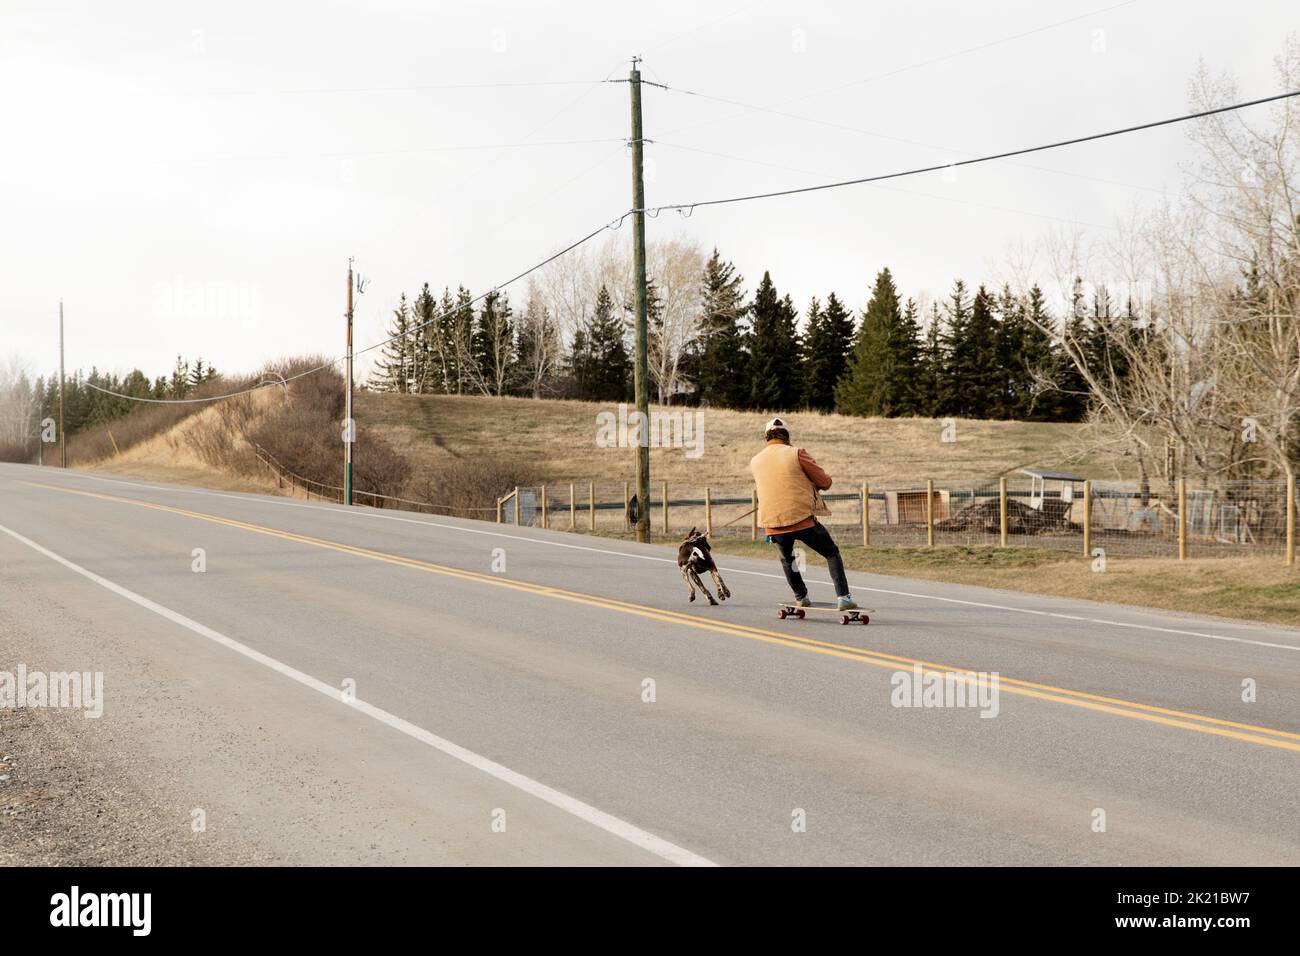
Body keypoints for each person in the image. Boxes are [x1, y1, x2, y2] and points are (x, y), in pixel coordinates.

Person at [748, 417, 857, 610]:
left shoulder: (755, 461)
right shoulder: (796, 453)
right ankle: (844, 597)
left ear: (766, 437)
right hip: (801, 519)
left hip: (773, 523)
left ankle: (801, 596)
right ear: (787, 436)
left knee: (788, 558)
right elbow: (825, 482)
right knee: (831, 552)